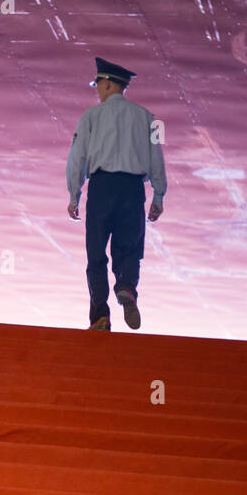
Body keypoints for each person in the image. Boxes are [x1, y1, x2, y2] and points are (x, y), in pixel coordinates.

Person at [66, 57, 167, 331]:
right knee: (130, 247)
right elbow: (157, 159)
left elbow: (77, 158)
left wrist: (74, 195)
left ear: (108, 84)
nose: (97, 89)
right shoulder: (147, 118)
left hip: (102, 188)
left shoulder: (91, 116)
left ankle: (100, 315)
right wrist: (158, 196)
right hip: (133, 190)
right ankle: (127, 286)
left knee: (96, 253)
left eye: (98, 84)